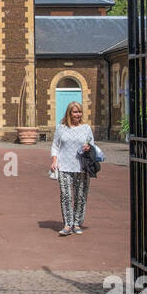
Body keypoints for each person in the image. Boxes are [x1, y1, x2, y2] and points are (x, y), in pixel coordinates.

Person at [49, 101, 95, 236]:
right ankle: (67, 224)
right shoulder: (61, 128)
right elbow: (55, 146)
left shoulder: (86, 128)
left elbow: (92, 145)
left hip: (81, 167)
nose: (78, 114)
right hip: (64, 166)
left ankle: (77, 223)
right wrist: (54, 160)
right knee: (66, 196)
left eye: (80, 112)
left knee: (80, 196)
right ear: (69, 113)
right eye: (75, 112)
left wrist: (88, 148)